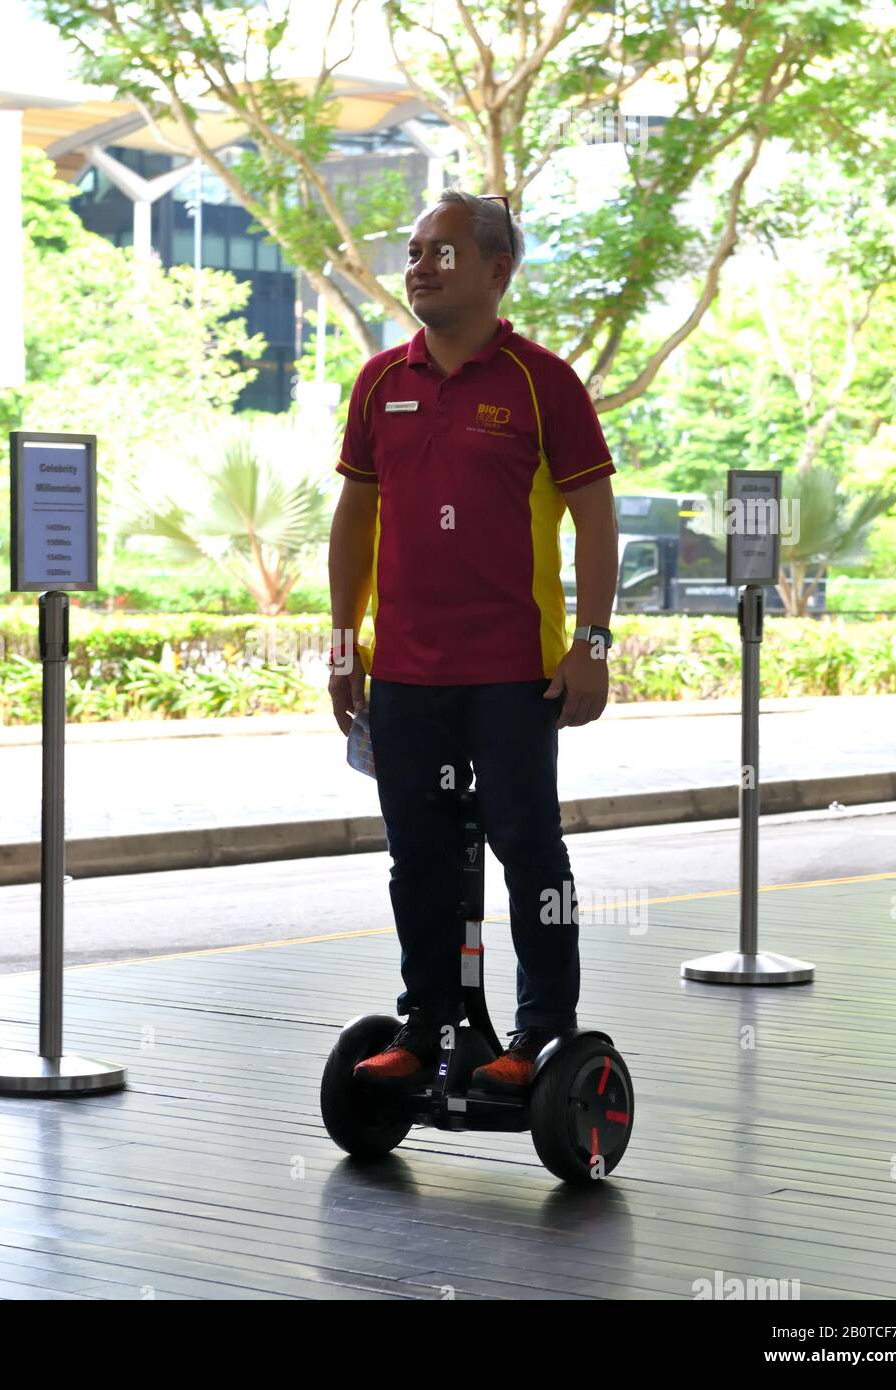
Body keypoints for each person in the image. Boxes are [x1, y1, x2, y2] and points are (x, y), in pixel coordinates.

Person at [326, 187, 619, 1094]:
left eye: (441, 252)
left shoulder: (543, 381)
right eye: (414, 251)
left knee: (529, 849)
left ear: (496, 270)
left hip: (514, 674)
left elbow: (595, 519)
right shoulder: (380, 380)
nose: (419, 266)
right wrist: (345, 645)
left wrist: (594, 644)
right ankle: (427, 1022)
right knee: (417, 854)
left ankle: (541, 1031)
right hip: (407, 676)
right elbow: (355, 518)